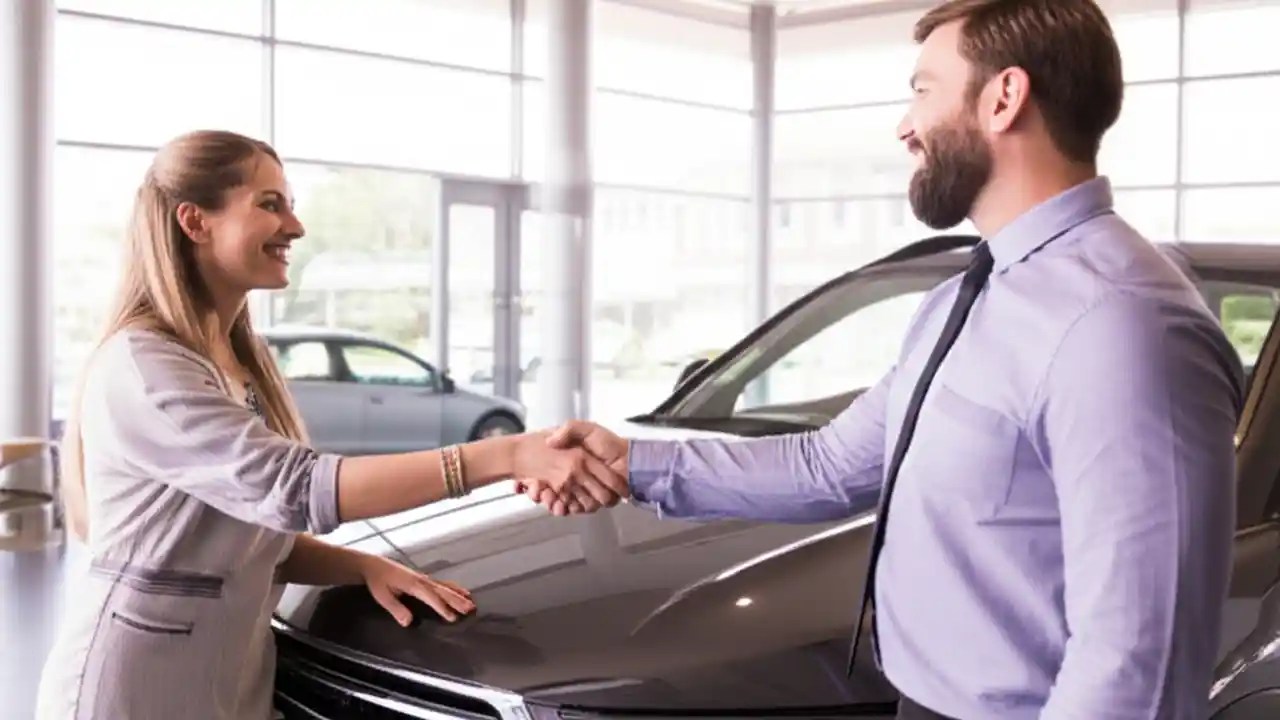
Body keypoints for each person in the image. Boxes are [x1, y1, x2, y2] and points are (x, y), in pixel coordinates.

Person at [519, 1, 1244, 718]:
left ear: (1003, 99)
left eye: (923, 90)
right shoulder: (974, 294)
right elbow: (830, 465)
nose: (905, 126)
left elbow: (1137, 666)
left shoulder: (1122, 325)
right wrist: (630, 463)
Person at [34, 130, 625, 720]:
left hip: (232, 685)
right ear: (195, 221)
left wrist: (363, 566)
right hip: (131, 691)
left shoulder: (244, 359)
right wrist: (503, 456)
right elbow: (292, 490)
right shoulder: (143, 365)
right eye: (271, 204)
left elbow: (253, 535)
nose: (295, 227)